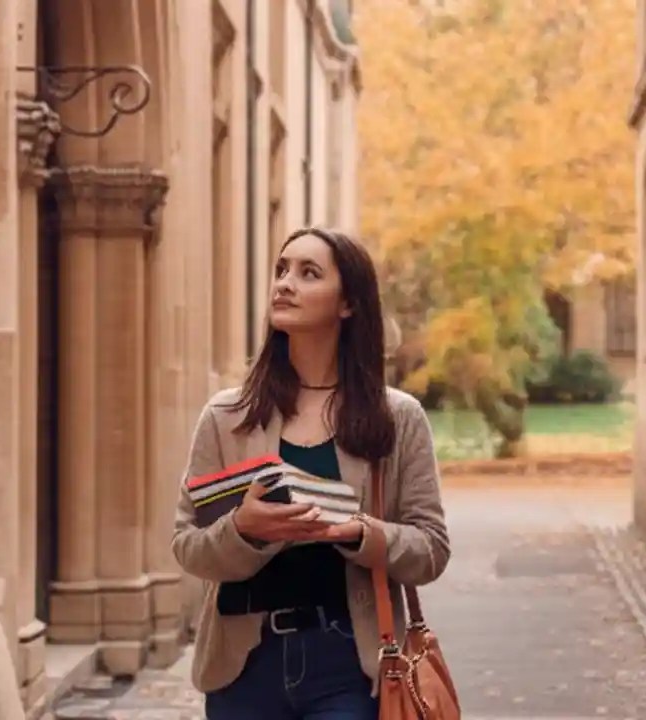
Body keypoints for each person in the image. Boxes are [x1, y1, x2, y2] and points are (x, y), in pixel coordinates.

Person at [171, 227, 451, 719]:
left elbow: (431, 549)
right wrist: (244, 531)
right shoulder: (227, 416)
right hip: (242, 667)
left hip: (348, 663)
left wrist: (360, 533)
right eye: (281, 270)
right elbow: (188, 546)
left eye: (308, 273)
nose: (284, 283)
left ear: (348, 304)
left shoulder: (396, 418)